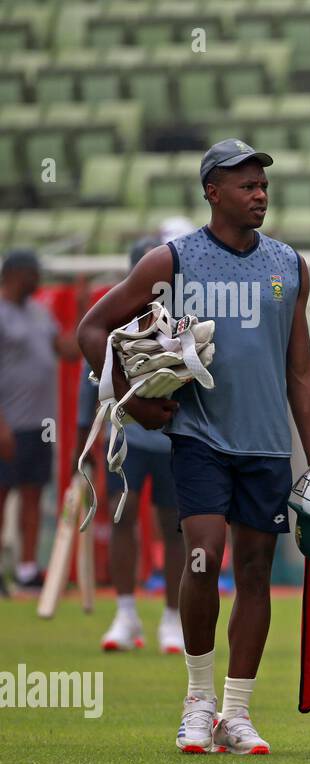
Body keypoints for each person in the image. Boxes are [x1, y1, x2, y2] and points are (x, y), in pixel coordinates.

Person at [77, 138, 310, 754]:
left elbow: (302, 369)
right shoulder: (172, 260)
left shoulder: (289, 265)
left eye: (264, 185)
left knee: (254, 572)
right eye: (246, 186)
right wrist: (131, 401)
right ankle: (197, 702)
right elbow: (92, 328)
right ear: (212, 192)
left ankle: (236, 715)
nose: (259, 195)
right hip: (200, 436)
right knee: (203, 557)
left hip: (267, 445)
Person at [76, 236, 185, 653]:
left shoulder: (180, 318)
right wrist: (82, 438)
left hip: (172, 439)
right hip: (124, 437)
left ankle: (172, 619)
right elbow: (94, 373)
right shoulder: (114, 318)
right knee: (122, 520)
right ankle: (125, 613)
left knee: (174, 527)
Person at [0, 249, 81, 593]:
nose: (38, 281)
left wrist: (81, 313)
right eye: (34, 274)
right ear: (18, 274)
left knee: (33, 493)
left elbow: (68, 351)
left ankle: (28, 569)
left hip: (40, 424)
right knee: (2, 495)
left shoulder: (38, 312)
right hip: (8, 422)